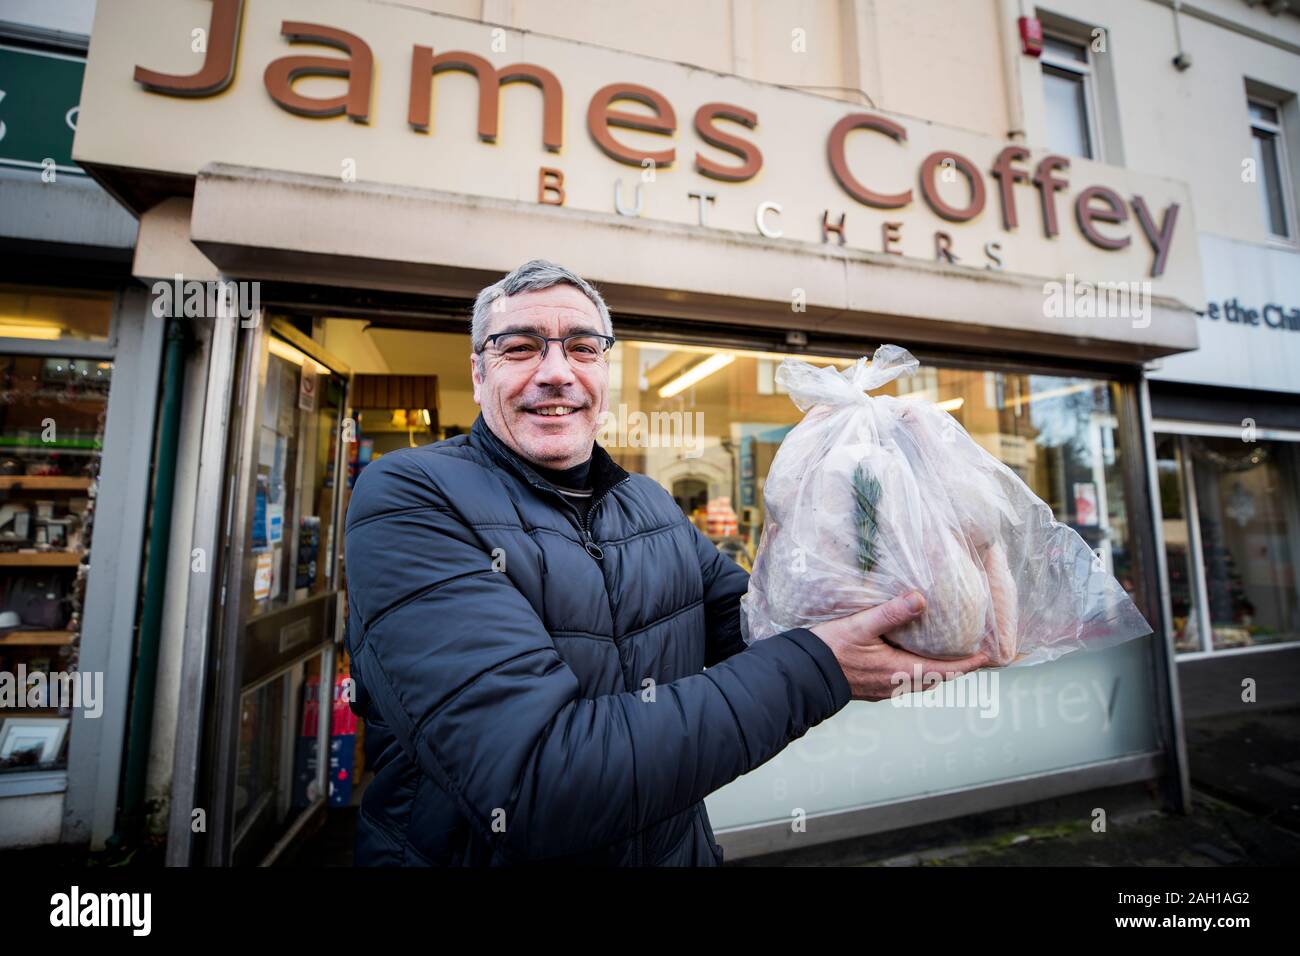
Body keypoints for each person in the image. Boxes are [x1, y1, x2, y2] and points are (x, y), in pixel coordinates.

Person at [343, 259, 989, 866]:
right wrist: (823, 665)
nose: (556, 371)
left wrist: (895, 519)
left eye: (582, 348)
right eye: (519, 347)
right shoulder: (409, 497)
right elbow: (537, 780)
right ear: (480, 374)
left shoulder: (647, 504)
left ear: (604, 373)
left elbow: (767, 629)